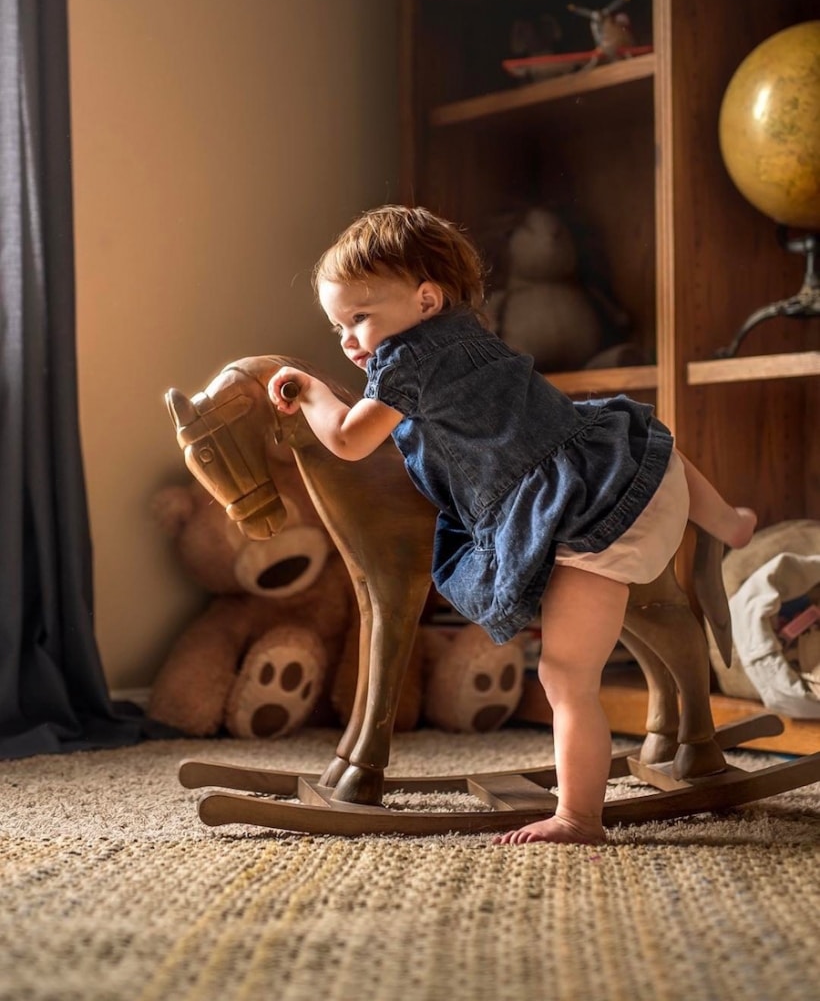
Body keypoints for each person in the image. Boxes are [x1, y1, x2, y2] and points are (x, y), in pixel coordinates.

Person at [268, 205, 757, 846]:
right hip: (638, 465)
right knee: (629, 441)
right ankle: (728, 519)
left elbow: (350, 441)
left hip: (591, 522)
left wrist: (309, 390)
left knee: (563, 677)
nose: (351, 341)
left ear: (424, 297)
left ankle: (579, 817)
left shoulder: (405, 362)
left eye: (360, 318)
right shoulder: (469, 329)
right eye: (337, 328)